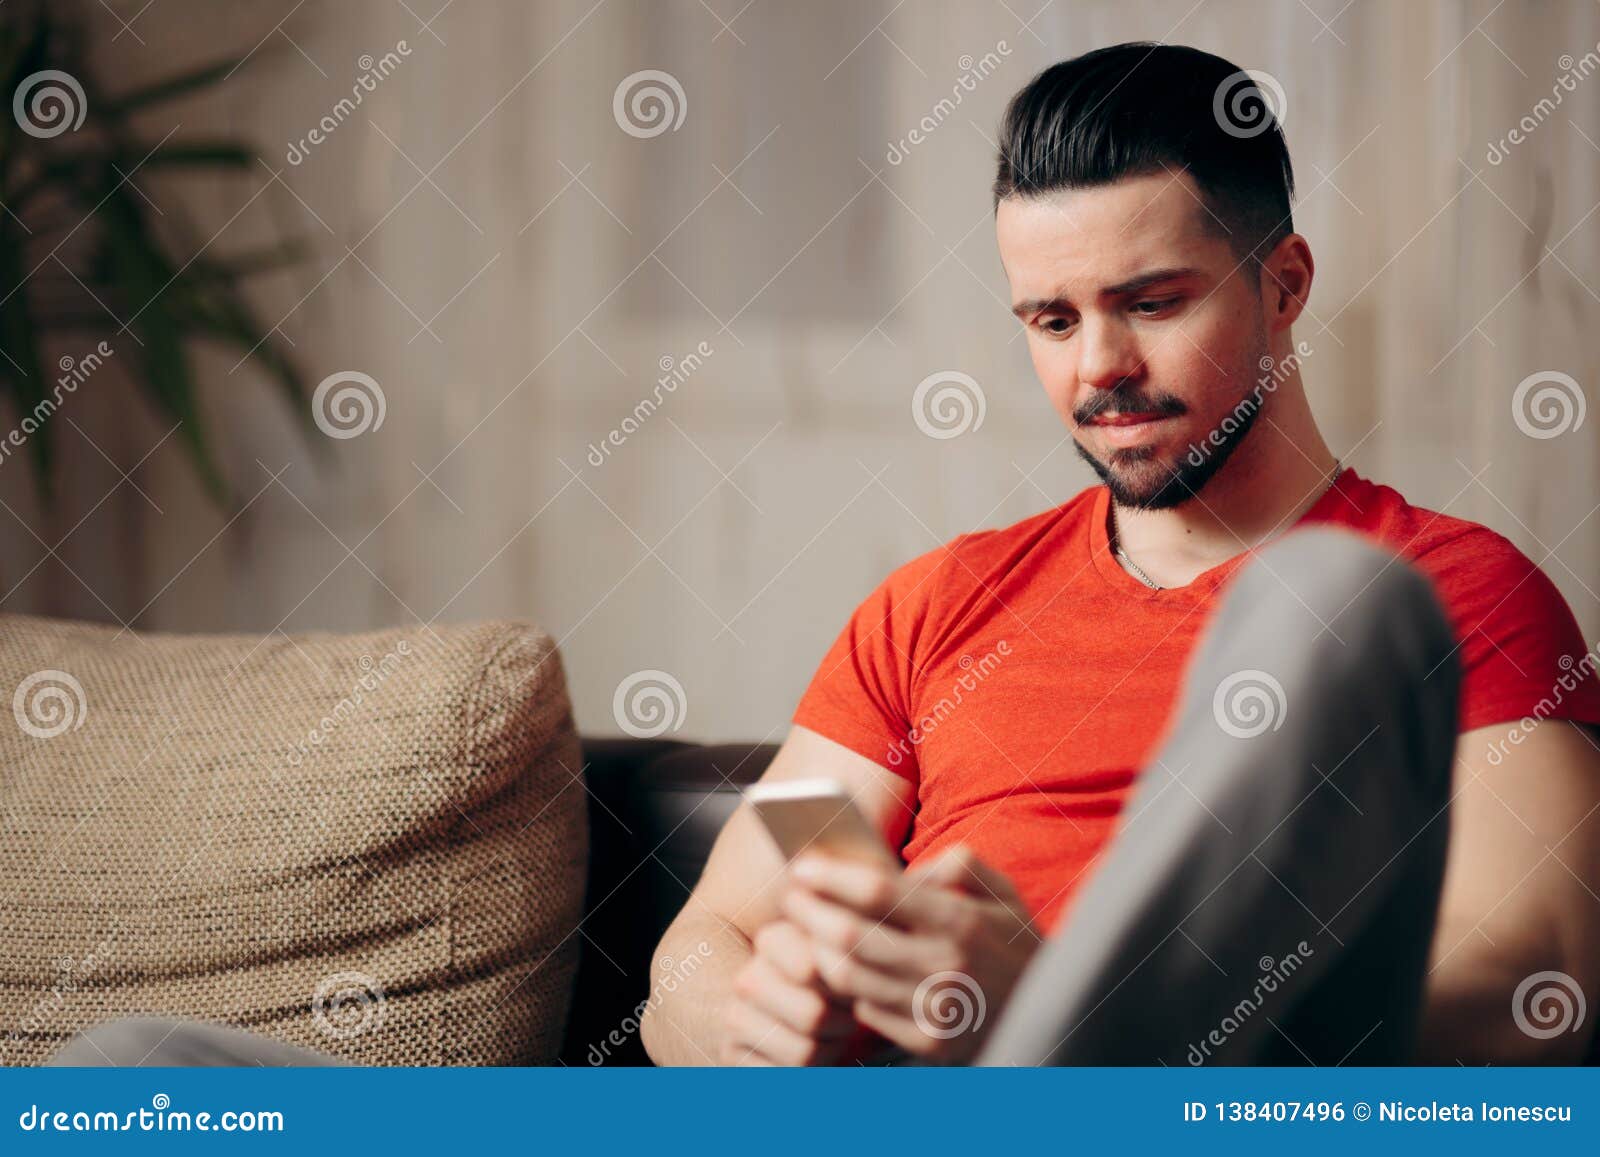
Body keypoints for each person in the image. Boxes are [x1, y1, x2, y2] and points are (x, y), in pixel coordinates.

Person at [638, 42, 1600, 1067]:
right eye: (1053, 320)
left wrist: (1058, 1006)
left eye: (1151, 303)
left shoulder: (1459, 591)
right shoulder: (929, 607)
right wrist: (760, 1017)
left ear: (1283, 285)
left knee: (1338, 600)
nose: (1099, 366)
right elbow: (697, 952)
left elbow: (1532, 981)